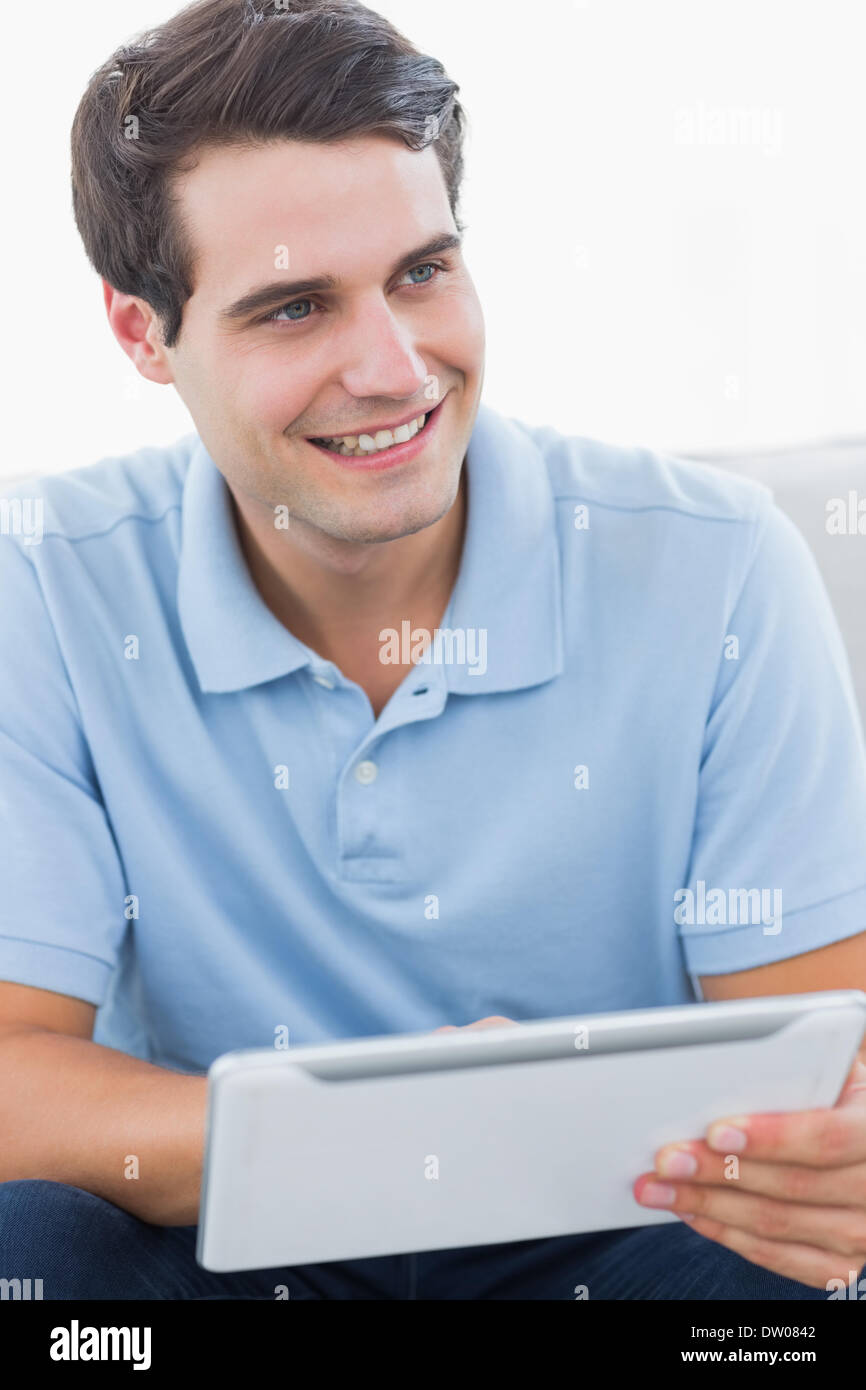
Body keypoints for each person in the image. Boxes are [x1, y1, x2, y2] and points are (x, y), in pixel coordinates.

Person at [1, 0, 865, 1301]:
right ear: (142, 333)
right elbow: (16, 1078)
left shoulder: (715, 561)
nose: (395, 367)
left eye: (420, 272)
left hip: (629, 1234)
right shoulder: (43, 584)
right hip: (219, 1245)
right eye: (295, 308)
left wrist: (824, 1167)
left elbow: (816, 1056)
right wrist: (394, 1135)